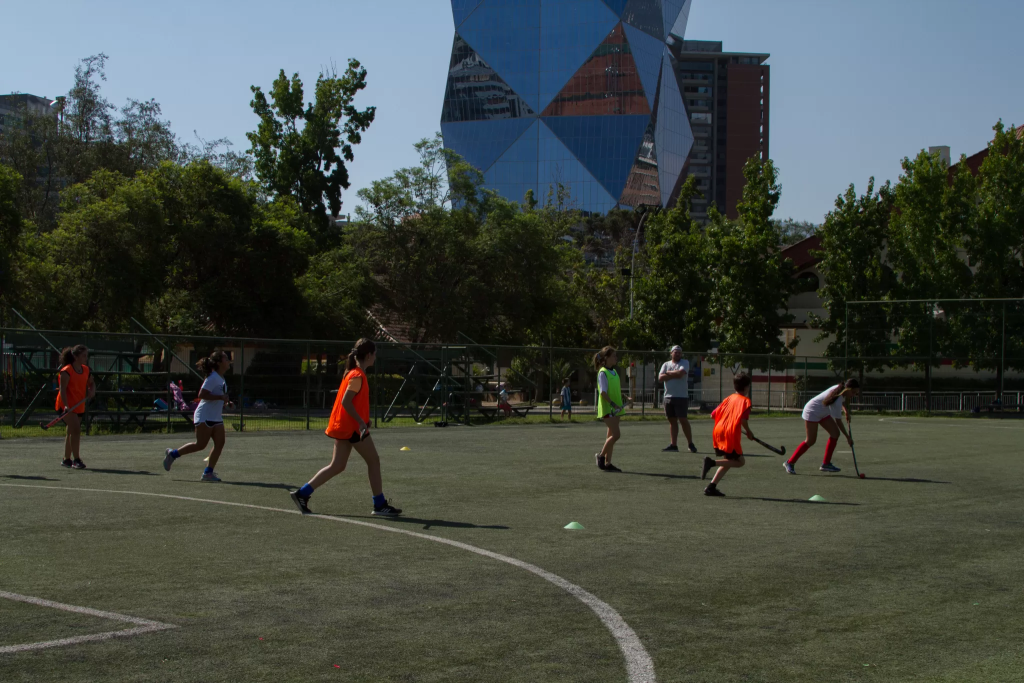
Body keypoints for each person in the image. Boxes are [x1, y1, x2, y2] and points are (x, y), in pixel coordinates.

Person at [289, 339, 402, 517]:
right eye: (375, 354)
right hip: (352, 429)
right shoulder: (357, 376)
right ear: (368, 355)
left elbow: (353, 403)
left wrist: (363, 419)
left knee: (337, 466)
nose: (376, 357)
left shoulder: (352, 373)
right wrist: (360, 421)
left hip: (346, 427)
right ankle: (379, 504)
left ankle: (302, 494)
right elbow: (346, 402)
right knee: (374, 461)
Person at [163, 351, 233, 481]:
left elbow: (217, 396)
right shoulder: (212, 378)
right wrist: (220, 397)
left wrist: (227, 402)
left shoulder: (221, 378)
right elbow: (202, 394)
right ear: (218, 363)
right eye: (226, 359)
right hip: (204, 416)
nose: (229, 361)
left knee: (220, 443)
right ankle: (172, 454)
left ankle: (208, 473)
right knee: (200, 445)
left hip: (216, 417)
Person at [784, 379, 860, 474]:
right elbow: (838, 421)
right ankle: (790, 462)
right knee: (811, 440)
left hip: (822, 413)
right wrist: (848, 437)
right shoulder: (838, 395)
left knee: (835, 433)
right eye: (853, 392)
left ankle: (826, 464)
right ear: (847, 389)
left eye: (856, 394)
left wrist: (846, 411)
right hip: (812, 411)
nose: (853, 395)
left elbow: (842, 401)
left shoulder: (841, 389)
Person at [701, 373, 755, 497]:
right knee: (740, 462)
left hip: (719, 431)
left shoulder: (728, 398)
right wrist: (749, 432)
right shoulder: (745, 401)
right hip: (730, 434)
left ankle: (711, 487)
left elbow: (713, 415)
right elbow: (743, 421)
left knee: (729, 461)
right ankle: (712, 463)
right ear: (747, 387)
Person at [56, 345, 96, 469]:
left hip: (79, 406)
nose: (86, 358)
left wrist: (92, 390)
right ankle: (76, 459)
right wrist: (67, 406)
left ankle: (66, 459)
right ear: (75, 356)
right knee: (76, 430)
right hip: (65, 405)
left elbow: (92, 383)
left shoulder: (86, 370)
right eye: (83, 355)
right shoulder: (66, 371)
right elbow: (62, 391)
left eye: (86, 355)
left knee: (71, 431)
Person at [594, 347, 629, 472]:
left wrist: (625, 397)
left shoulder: (614, 372)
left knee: (610, 435)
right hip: (608, 409)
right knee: (616, 435)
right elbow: (603, 392)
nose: (616, 358)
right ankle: (601, 456)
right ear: (606, 358)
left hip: (616, 409)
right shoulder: (603, 372)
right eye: (613, 356)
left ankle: (608, 463)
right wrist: (613, 404)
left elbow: (616, 390)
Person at [659, 345, 697, 453]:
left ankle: (690, 443)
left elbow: (680, 374)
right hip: (668, 396)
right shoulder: (666, 364)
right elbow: (660, 378)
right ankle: (673, 445)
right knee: (672, 421)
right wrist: (673, 374)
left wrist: (668, 373)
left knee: (683, 420)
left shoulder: (685, 362)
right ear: (671, 353)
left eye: (679, 352)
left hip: (681, 397)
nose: (678, 354)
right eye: (675, 352)